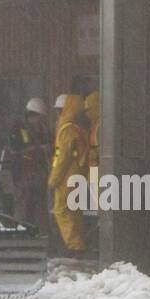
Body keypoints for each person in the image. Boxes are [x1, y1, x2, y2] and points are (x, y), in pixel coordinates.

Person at [49, 93, 90, 254]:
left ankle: (74, 246)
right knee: (74, 210)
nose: (59, 114)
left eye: (60, 110)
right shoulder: (79, 128)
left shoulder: (66, 130)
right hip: (77, 174)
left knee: (63, 210)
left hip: (67, 177)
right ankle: (78, 243)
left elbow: (63, 158)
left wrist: (53, 179)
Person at [4, 97, 53, 227]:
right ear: (32, 115)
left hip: (39, 175)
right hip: (22, 175)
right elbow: (15, 150)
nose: (41, 121)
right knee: (23, 207)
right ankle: (21, 235)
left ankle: (39, 234)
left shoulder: (44, 130)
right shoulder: (18, 129)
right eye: (40, 118)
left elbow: (52, 146)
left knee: (40, 209)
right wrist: (38, 149)